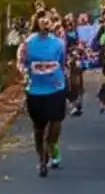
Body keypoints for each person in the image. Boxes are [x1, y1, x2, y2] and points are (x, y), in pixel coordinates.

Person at [17, 10, 68, 177]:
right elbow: (21, 63)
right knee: (38, 128)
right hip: (36, 90)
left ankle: (51, 145)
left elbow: (62, 63)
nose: (45, 22)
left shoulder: (59, 43)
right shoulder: (27, 43)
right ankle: (41, 159)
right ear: (36, 23)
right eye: (41, 19)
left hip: (56, 88)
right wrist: (24, 73)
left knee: (55, 122)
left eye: (47, 19)